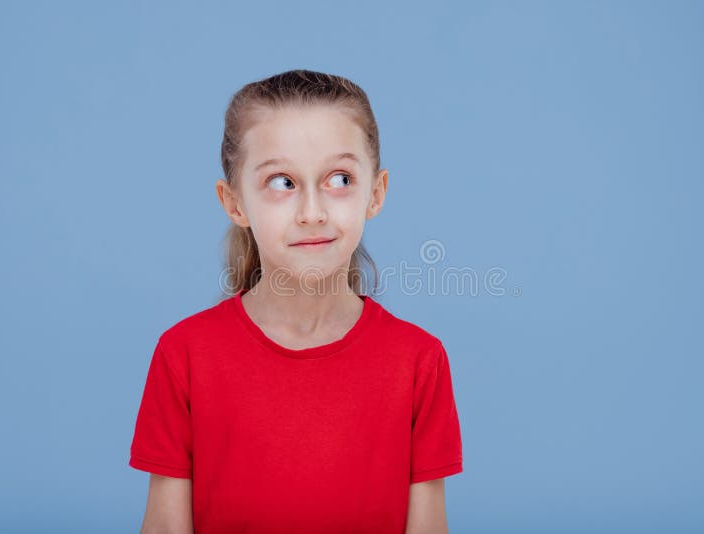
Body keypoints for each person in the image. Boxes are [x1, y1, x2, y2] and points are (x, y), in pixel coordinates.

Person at [128, 69, 463, 534]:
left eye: (340, 178)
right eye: (282, 182)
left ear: (377, 192)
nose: (312, 213)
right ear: (234, 203)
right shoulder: (183, 355)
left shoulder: (419, 362)